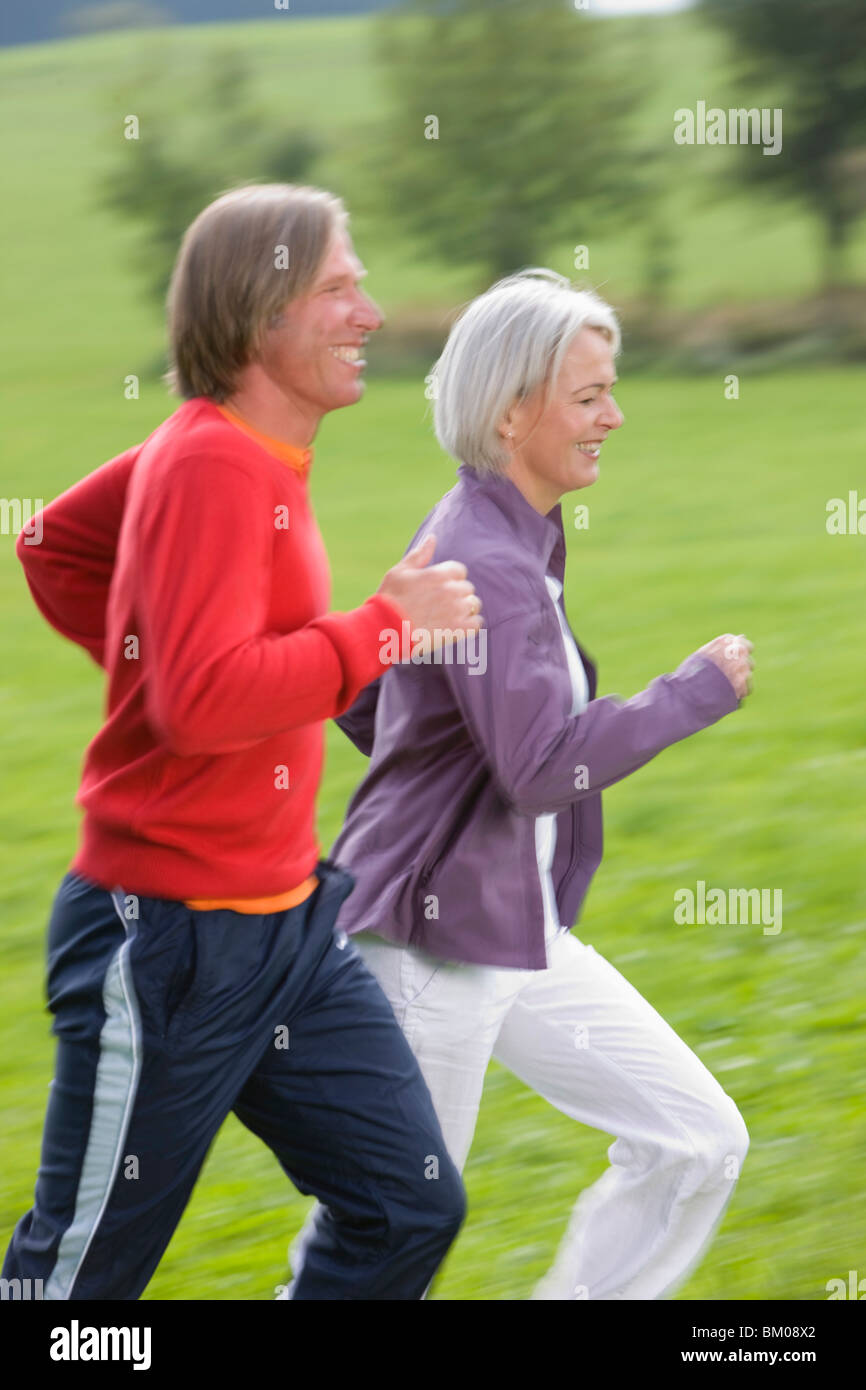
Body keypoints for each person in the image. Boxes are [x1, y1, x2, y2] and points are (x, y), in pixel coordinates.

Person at [3, 183, 482, 1301]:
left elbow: (51, 546)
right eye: (337, 289)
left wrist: (150, 663)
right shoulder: (214, 466)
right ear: (258, 315)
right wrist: (383, 627)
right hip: (167, 942)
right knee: (77, 1285)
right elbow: (201, 701)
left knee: (407, 1203)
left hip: (285, 928)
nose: (370, 313)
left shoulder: (230, 451)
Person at [295, 268, 754, 1300]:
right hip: (429, 948)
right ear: (511, 413)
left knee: (693, 1138)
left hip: (510, 928)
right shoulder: (487, 560)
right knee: (390, 1231)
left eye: (608, 391)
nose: (613, 416)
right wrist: (692, 692)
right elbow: (544, 764)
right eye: (589, 396)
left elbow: (372, 705)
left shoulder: (496, 533)